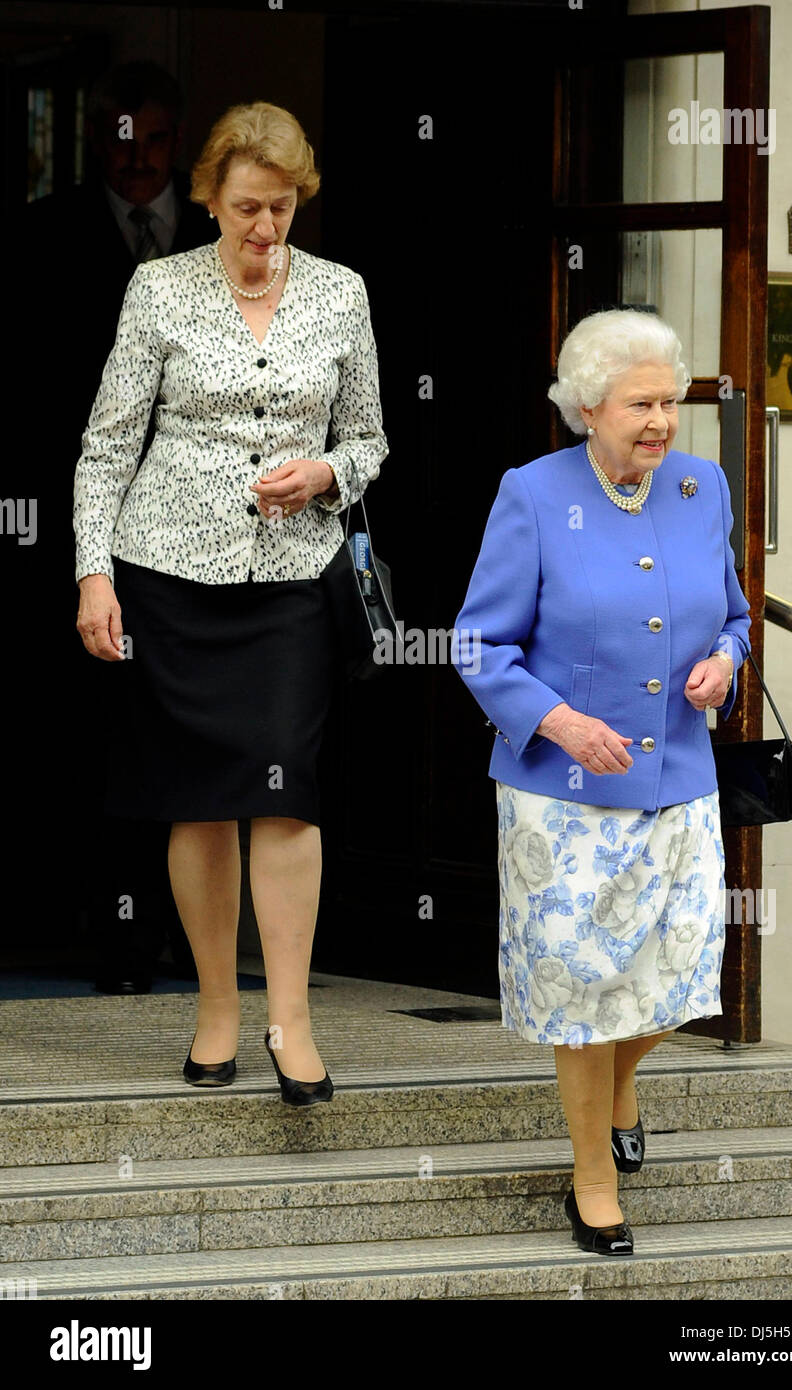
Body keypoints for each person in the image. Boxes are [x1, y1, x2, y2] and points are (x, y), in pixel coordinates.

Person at [73, 100, 388, 1104]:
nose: (263, 230)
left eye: (282, 211)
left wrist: (324, 474)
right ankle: (216, 1006)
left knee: (285, 792)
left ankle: (289, 1019)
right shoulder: (157, 287)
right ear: (208, 198)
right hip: (169, 573)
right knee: (201, 800)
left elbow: (372, 438)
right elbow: (108, 444)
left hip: (293, 579)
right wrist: (93, 571)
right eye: (247, 208)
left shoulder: (340, 294)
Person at [452, 308, 750, 1254]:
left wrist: (726, 664)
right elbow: (478, 643)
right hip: (563, 794)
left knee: (681, 971)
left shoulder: (704, 487)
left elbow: (734, 614)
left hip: (680, 781)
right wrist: (559, 721)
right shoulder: (533, 496)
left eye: (673, 400)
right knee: (584, 991)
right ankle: (591, 1181)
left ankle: (619, 1081)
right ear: (589, 408)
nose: (664, 421)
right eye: (643, 404)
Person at [17, 61, 219, 994]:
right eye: (120, 138)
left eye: (157, 138)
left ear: (183, 144)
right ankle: (109, 931)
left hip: (208, 533)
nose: (138, 159)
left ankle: (185, 935)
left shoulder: (229, 236)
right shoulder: (43, 234)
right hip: (81, 528)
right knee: (90, 734)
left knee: (189, 732)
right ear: (97, 141)